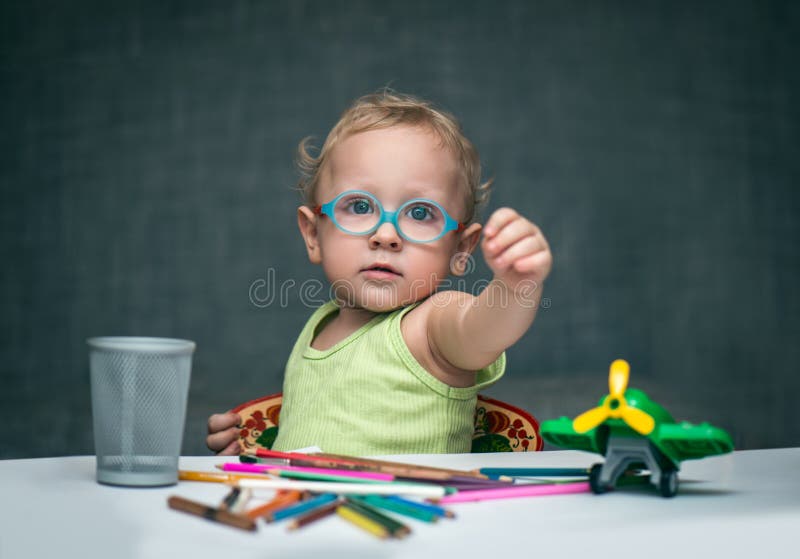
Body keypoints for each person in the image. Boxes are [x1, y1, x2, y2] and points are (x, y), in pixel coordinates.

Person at [206, 90, 552, 456]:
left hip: (408, 512)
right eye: (358, 206)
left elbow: (484, 329)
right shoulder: (319, 328)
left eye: (420, 213)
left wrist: (516, 284)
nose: (386, 235)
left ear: (461, 250)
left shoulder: (431, 327)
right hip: (308, 510)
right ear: (313, 234)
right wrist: (254, 450)